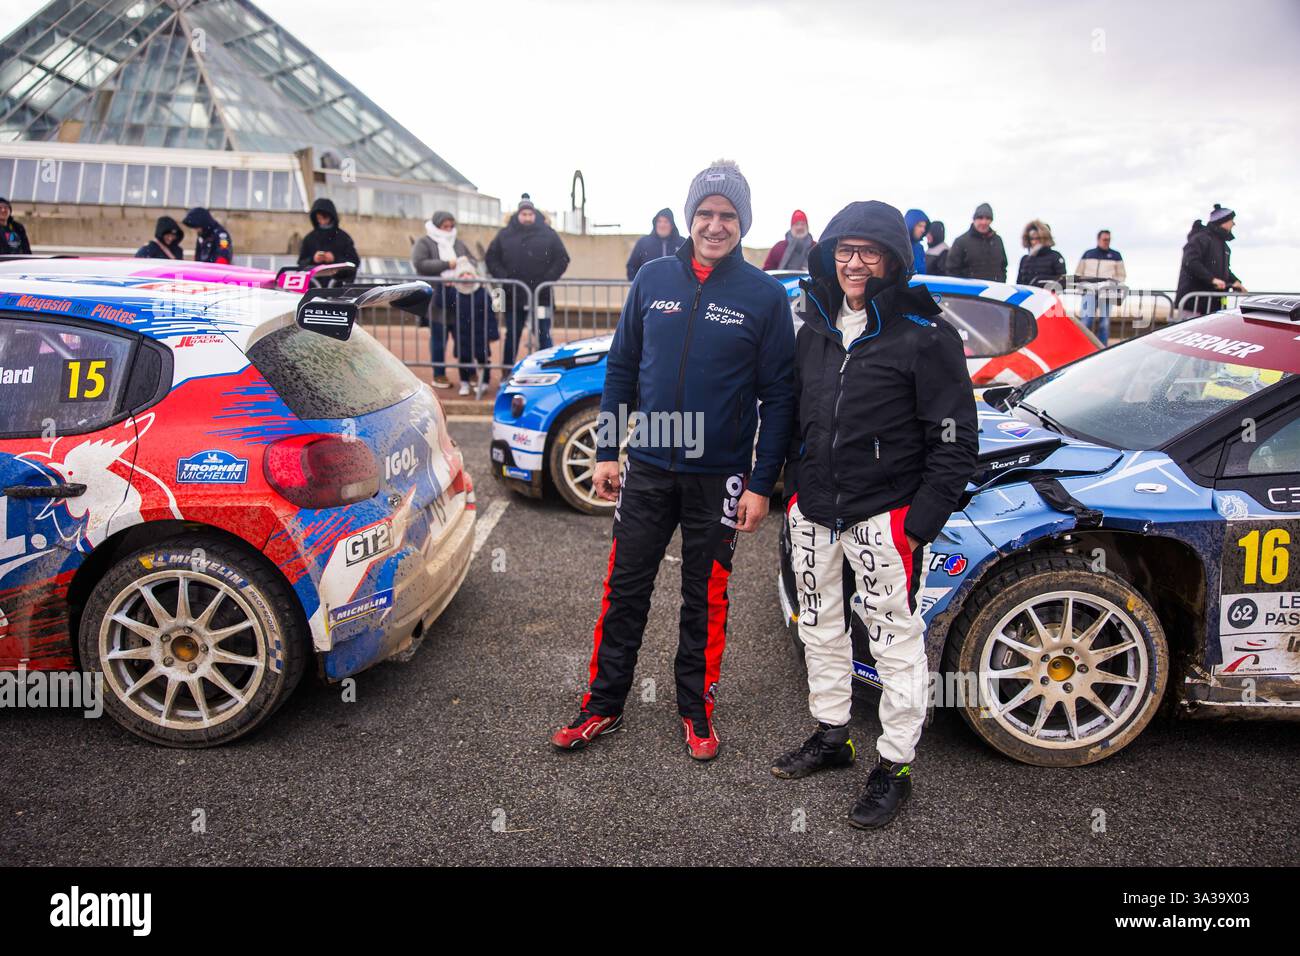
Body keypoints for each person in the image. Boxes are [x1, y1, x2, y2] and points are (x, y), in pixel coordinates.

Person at [549, 160, 795, 760]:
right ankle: (602, 705)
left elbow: (782, 397)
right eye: (706, 213)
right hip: (650, 467)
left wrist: (763, 484)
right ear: (690, 218)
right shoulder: (654, 279)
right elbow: (622, 369)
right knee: (625, 588)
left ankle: (696, 710)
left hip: (722, 477)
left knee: (704, 595)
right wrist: (608, 450)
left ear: (743, 223)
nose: (715, 226)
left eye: (728, 216)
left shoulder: (763, 295)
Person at [775, 200, 978, 829]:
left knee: (894, 642)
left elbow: (954, 441)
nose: (854, 263)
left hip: (884, 519)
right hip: (815, 512)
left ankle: (896, 764)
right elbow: (795, 417)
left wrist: (917, 524)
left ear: (892, 259)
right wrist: (791, 487)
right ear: (828, 255)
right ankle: (834, 735)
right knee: (820, 626)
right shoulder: (814, 327)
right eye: (844, 250)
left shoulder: (928, 334)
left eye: (869, 252)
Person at [486, 194, 570, 363]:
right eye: (523, 214)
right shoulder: (504, 234)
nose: (527, 217)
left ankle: (547, 367)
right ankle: (507, 370)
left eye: (530, 214)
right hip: (513, 295)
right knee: (512, 335)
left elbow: (562, 258)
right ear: (518, 215)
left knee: (543, 334)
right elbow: (491, 258)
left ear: (535, 214)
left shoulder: (548, 233)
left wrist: (547, 279)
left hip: (541, 294)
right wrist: (505, 278)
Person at [412, 210, 474, 389]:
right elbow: (420, 263)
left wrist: (464, 268)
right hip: (437, 297)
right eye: (444, 226)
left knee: (463, 337)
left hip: (459, 296)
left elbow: (472, 261)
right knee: (439, 337)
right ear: (437, 225)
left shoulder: (459, 243)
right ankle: (439, 374)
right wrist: (449, 264)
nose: (448, 229)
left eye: (450, 226)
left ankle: (468, 373)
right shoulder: (424, 242)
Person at [1176, 204, 1246, 318]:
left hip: (1213, 305)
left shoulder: (1224, 246)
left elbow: (1224, 270)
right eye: (1232, 220)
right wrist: (1212, 280)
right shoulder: (1200, 238)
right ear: (1223, 221)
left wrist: (1236, 282)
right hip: (1194, 304)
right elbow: (1190, 262)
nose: (1234, 224)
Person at [441, 263, 496, 399]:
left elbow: (490, 314)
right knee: (463, 358)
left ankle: (484, 382)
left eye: (469, 274)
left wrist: (492, 332)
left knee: (483, 358)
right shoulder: (454, 292)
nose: (466, 277)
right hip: (461, 332)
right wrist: (445, 288)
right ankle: (464, 382)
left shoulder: (482, 292)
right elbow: (441, 303)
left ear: (474, 276)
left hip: (480, 332)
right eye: (462, 275)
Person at [1075, 229, 1126, 345]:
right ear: (1098, 239)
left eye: (1109, 239)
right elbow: (1079, 272)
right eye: (1104, 239)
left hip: (1107, 293)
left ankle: (1101, 348)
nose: (1107, 242)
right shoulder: (1088, 254)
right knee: (1086, 321)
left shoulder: (1116, 255)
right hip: (1089, 291)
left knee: (1104, 323)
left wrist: (1113, 286)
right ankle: (1082, 345)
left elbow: (1121, 275)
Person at [297, 198, 359, 285]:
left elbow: (354, 262)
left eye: (324, 218)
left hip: (338, 289)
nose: (322, 221)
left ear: (331, 216)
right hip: (313, 289)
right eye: (319, 218)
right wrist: (313, 259)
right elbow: (301, 264)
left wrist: (335, 259)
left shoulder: (343, 238)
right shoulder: (309, 238)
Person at [945, 202, 1007, 282]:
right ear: (974, 219)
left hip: (995, 291)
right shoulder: (961, 242)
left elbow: (1003, 266)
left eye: (987, 218)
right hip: (969, 292)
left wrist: (1001, 281)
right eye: (980, 218)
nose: (984, 222)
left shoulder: (998, 241)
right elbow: (952, 270)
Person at [626, 208, 684, 280]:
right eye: (659, 221)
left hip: (676, 288)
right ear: (655, 224)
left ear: (672, 225)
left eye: (666, 222)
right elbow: (632, 266)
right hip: (649, 289)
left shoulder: (682, 243)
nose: (662, 225)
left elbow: (690, 266)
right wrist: (638, 286)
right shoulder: (643, 243)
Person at [1015, 219, 1067, 288]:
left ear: (1045, 238)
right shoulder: (1025, 259)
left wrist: (1041, 282)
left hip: (1048, 296)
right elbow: (1019, 283)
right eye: (1031, 238)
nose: (1034, 242)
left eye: (1037, 238)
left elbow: (1063, 281)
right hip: (1028, 297)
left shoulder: (1055, 257)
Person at [904, 208, 929, 275]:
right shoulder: (898, 245)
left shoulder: (919, 248)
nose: (923, 230)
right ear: (910, 225)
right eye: (920, 226)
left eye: (924, 227)